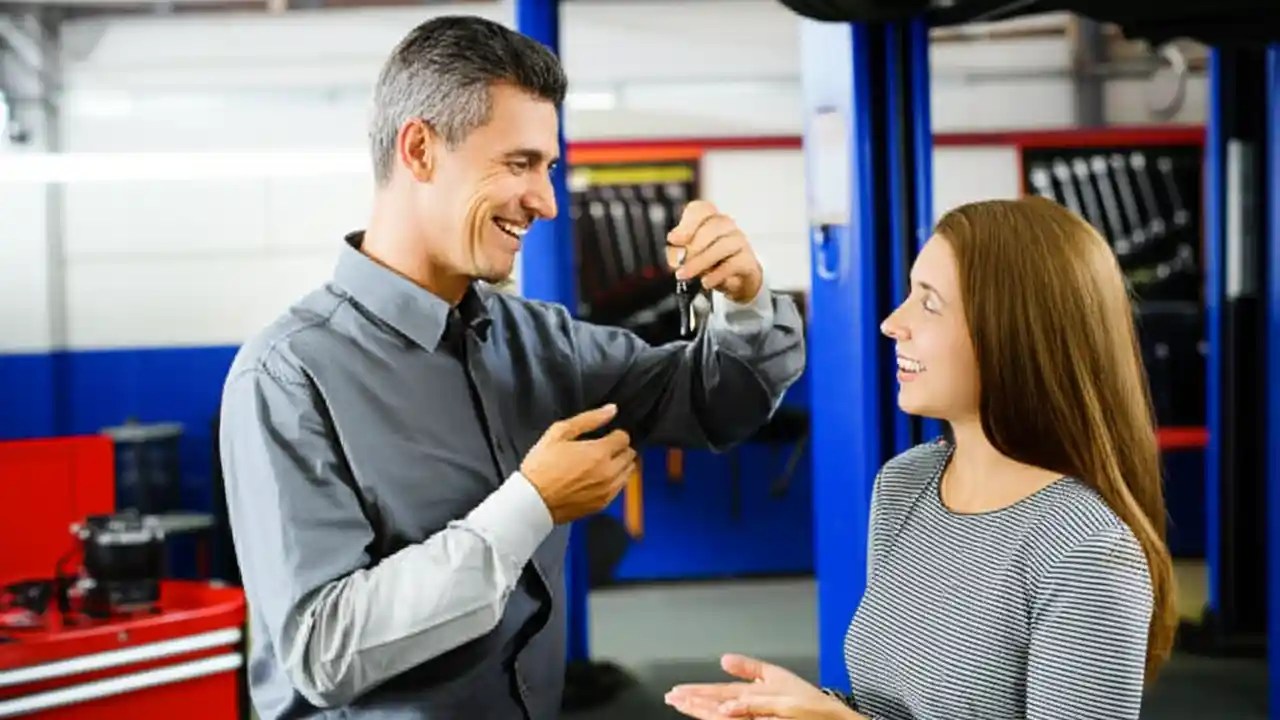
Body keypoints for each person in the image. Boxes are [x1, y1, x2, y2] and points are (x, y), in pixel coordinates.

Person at [217, 14, 805, 720]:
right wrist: (530, 507)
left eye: (548, 168)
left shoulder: (541, 343)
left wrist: (743, 302)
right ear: (420, 150)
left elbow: (713, 403)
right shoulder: (289, 377)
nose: (547, 201)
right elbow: (322, 650)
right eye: (520, 164)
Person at [665, 196, 1177, 720]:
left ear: (1016, 332)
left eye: (929, 303)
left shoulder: (1085, 550)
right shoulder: (906, 484)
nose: (892, 322)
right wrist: (806, 707)